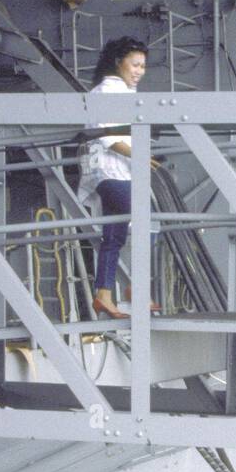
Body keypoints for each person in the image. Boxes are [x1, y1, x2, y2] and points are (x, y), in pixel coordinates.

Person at [78, 36, 161, 320]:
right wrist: (138, 156)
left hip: (117, 171)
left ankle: (104, 294)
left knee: (113, 235)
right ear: (118, 62)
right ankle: (135, 289)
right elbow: (108, 136)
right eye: (135, 64)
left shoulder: (117, 92)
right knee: (147, 223)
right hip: (111, 170)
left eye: (142, 66)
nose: (139, 71)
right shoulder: (108, 92)